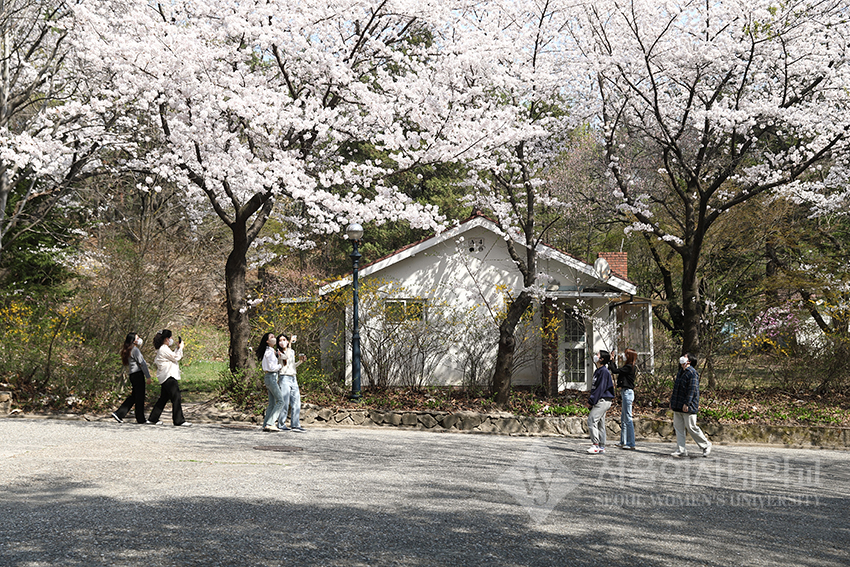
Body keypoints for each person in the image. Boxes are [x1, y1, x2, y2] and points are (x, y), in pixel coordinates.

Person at [670, 353, 712, 457]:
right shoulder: (680, 372)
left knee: (691, 427)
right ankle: (681, 449)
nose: (682, 358)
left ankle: (706, 445)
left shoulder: (692, 373)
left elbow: (692, 390)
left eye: (685, 357)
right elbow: (676, 389)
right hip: (677, 404)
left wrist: (687, 403)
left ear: (689, 361)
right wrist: (672, 402)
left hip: (688, 405)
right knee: (678, 427)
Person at [148, 329, 191, 427]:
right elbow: (176, 357)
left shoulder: (163, 348)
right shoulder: (164, 348)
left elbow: (172, 356)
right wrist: (181, 348)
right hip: (169, 376)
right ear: (167, 339)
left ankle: (153, 418)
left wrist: (177, 347)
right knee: (176, 397)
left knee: (163, 398)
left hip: (165, 376)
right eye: (171, 338)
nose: (171, 339)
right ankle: (179, 420)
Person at [112, 332, 152, 424]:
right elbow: (142, 363)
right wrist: (148, 376)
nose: (139, 340)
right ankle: (140, 419)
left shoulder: (129, 349)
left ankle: (119, 413)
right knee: (139, 397)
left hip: (132, 375)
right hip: (137, 374)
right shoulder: (135, 350)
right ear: (133, 340)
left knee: (134, 396)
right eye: (137, 338)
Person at [276, 333, 306, 432]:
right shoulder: (278, 352)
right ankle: (281, 424)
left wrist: (301, 362)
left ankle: (295, 424)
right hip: (284, 378)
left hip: (293, 377)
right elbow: (285, 357)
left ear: (287, 340)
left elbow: (292, 365)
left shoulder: (291, 351)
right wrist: (289, 346)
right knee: (285, 402)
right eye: (280, 340)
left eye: (284, 339)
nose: (282, 342)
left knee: (296, 401)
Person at [587, 350, 615, 454]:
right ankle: (602, 446)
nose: (595, 356)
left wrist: (591, 401)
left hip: (603, 400)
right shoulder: (598, 371)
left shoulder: (603, 371)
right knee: (600, 423)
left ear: (601, 359)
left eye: (597, 355)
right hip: (600, 400)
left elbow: (600, 388)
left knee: (591, 420)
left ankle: (595, 445)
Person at [611, 348, 638, 450]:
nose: (624, 355)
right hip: (625, 393)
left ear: (629, 356)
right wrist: (612, 361)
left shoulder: (629, 367)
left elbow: (615, 370)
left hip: (628, 393)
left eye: (626, 354)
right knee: (623, 418)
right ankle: (623, 441)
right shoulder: (628, 367)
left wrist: (611, 361)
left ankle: (631, 443)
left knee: (628, 418)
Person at [257, 332, 283, 432]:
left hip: (269, 377)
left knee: (272, 403)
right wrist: (281, 366)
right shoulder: (269, 352)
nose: (274, 338)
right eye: (271, 337)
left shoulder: (270, 351)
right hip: (271, 377)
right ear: (267, 341)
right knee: (280, 401)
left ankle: (265, 425)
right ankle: (270, 423)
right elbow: (272, 367)